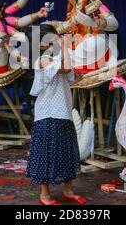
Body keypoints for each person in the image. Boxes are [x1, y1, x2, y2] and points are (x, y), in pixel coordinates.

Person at [25, 24, 87, 205]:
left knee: (66, 151)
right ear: (42, 45)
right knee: (46, 153)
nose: (58, 39)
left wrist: (78, 76)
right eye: (53, 37)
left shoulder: (57, 57)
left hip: (63, 112)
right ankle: (44, 195)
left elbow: (70, 76)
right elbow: (66, 69)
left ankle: (68, 190)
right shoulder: (42, 60)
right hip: (48, 114)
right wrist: (67, 47)